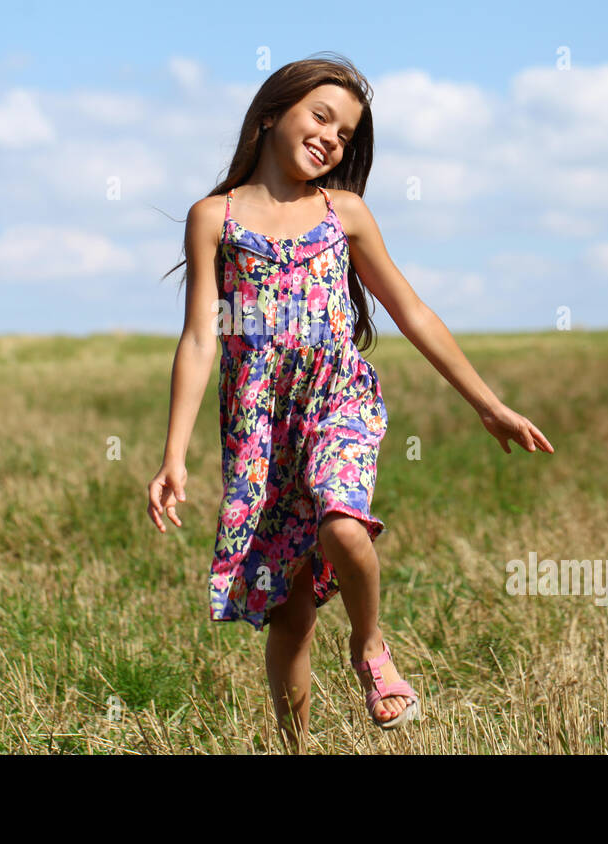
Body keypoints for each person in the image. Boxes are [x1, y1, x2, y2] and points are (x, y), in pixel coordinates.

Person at [148, 52, 553, 752]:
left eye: (346, 134)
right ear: (273, 113)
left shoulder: (346, 213)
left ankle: (370, 647)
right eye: (322, 118)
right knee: (292, 615)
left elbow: (413, 312)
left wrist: (487, 403)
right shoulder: (213, 217)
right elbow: (197, 339)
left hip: (336, 401)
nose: (332, 139)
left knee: (343, 523)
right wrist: (173, 455)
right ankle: (293, 745)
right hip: (260, 428)